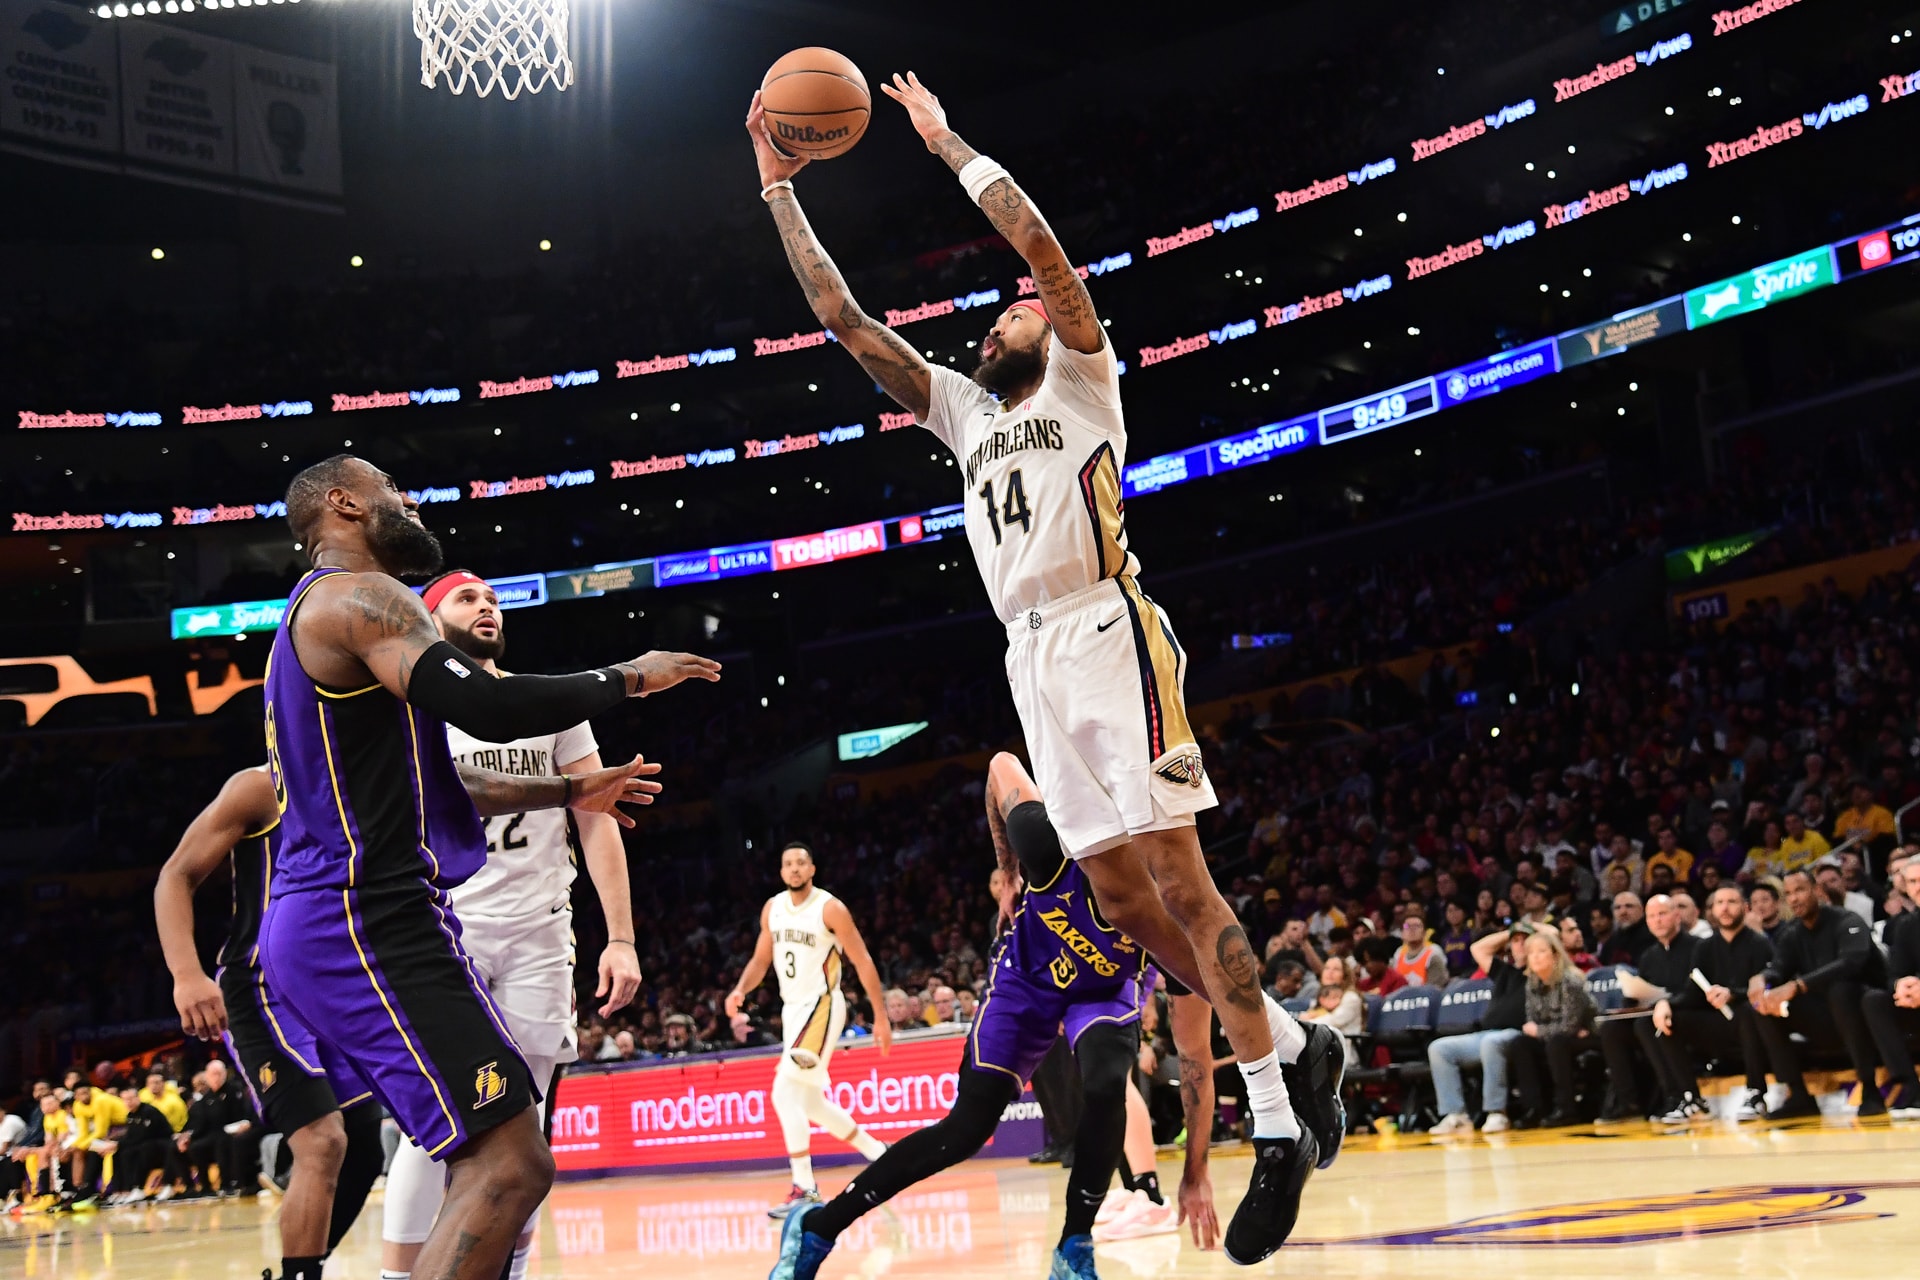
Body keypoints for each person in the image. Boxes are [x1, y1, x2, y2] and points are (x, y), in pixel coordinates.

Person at [749, 75, 1335, 1265]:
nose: (1009, 314)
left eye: (1023, 309)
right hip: (1029, 654)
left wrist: (944, 143)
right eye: (1003, 316)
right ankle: (1295, 1038)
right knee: (1120, 897)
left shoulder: (1082, 375)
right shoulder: (963, 411)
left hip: (1107, 626)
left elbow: (1042, 248)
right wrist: (776, 190)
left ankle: (1279, 1116)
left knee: (1178, 876)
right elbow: (845, 319)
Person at [256, 454, 718, 1280]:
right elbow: (492, 707)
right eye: (393, 490)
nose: (411, 502)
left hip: (363, 915)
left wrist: (569, 789)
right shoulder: (363, 597)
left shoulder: (318, 617)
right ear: (344, 504)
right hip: (359, 916)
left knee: (506, 1161)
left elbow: (450, 781)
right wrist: (628, 677)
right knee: (506, 1165)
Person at [770, 753, 1284, 1280]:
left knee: (1108, 1080)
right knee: (966, 1130)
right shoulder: (1048, 843)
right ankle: (819, 1227)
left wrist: (1196, 1171)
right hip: (1027, 979)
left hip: (1103, 993)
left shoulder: (1182, 927)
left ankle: (1074, 1245)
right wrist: (1008, 869)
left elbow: (1195, 1058)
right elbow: (1000, 767)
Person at [382, 570, 660, 1280]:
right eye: (467, 598)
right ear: (428, 617)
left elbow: (597, 818)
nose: (487, 607)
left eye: (493, 600)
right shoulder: (408, 708)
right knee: (436, 1125)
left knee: (524, 1131)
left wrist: (621, 937)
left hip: (540, 932)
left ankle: (511, 1272)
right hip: (445, 930)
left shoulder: (549, 704)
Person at [725, 841, 894, 1218]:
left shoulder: (829, 908)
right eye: (788, 863)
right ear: (781, 871)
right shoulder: (773, 908)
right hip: (793, 1011)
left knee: (784, 1094)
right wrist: (740, 989)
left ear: (812, 869)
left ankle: (805, 1186)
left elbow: (862, 960)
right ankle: (879, 1153)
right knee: (810, 1102)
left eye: (801, 862)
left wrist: (880, 1016)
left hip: (822, 1007)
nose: (795, 868)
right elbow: (760, 959)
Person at [1749, 869, 1885, 1117]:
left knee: (1841, 990)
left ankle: (1870, 1089)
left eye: (1800, 890)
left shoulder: (1846, 919)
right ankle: (1798, 1094)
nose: (1794, 899)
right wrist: (1761, 979)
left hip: (1866, 1013)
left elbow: (1851, 962)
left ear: (1817, 891)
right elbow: (1779, 967)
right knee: (1763, 1007)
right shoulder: (1792, 932)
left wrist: (1798, 985)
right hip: (1825, 1017)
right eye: (1788, 893)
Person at [1647, 886, 1777, 1123]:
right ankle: (1691, 1098)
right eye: (1719, 903)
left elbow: (1769, 987)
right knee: (1668, 1023)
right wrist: (1666, 1004)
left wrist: (1733, 994)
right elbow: (1692, 992)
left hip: (1752, 1021)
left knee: (1749, 1013)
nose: (1725, 908)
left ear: (1745, 908)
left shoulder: (1759, 944)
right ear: (1712, 910)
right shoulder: (1704, 947)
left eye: (1732, 902)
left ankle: (1756, 1093)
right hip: (1717, 1022)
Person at [1430, 926, 1532, 1134]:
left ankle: (1496, 1112)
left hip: (1518, 1034)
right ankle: (1456, 1115)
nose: (1520, 944)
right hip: (1488, 1033)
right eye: (1515, 941)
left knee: (1491, 1043)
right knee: (1439, 1048)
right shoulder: (1504, 971)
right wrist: (1512, 931)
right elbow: (1478, 948)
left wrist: (1531, 929)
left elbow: (1554, 936)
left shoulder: (1541, 971)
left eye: (1525, 940)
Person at [1859, 856, 1920, 1117]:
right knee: (1874, 1000)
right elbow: (1894, 974)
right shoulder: (1906, 925)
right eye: (1913, 881)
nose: (1918, 886)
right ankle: (1911, 1090)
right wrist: (1901, 986)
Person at [1519, 928, 1597, 1126]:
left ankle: (1566, 1108)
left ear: (1555, 955)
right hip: (1560, 1035)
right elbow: (1531, 1021)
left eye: (1541, 951)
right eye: (1531, 952)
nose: (1535, 957)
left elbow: (1570, 1026)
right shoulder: (1531, 983)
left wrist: (1541, 1031)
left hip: (1589, 1035)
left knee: (1557, 1043)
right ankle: (1534, 1109)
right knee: (1521, 1044)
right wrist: (1540, 1030)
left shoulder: (1570, 981)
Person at [1389, 915, 1447, 987]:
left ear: (1424, 933)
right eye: (1407, 926)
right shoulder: (1398, 954)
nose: (1412, 929)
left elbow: (1436, 988)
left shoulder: (1433, 954)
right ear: (1402, 933)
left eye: (1417, 926)